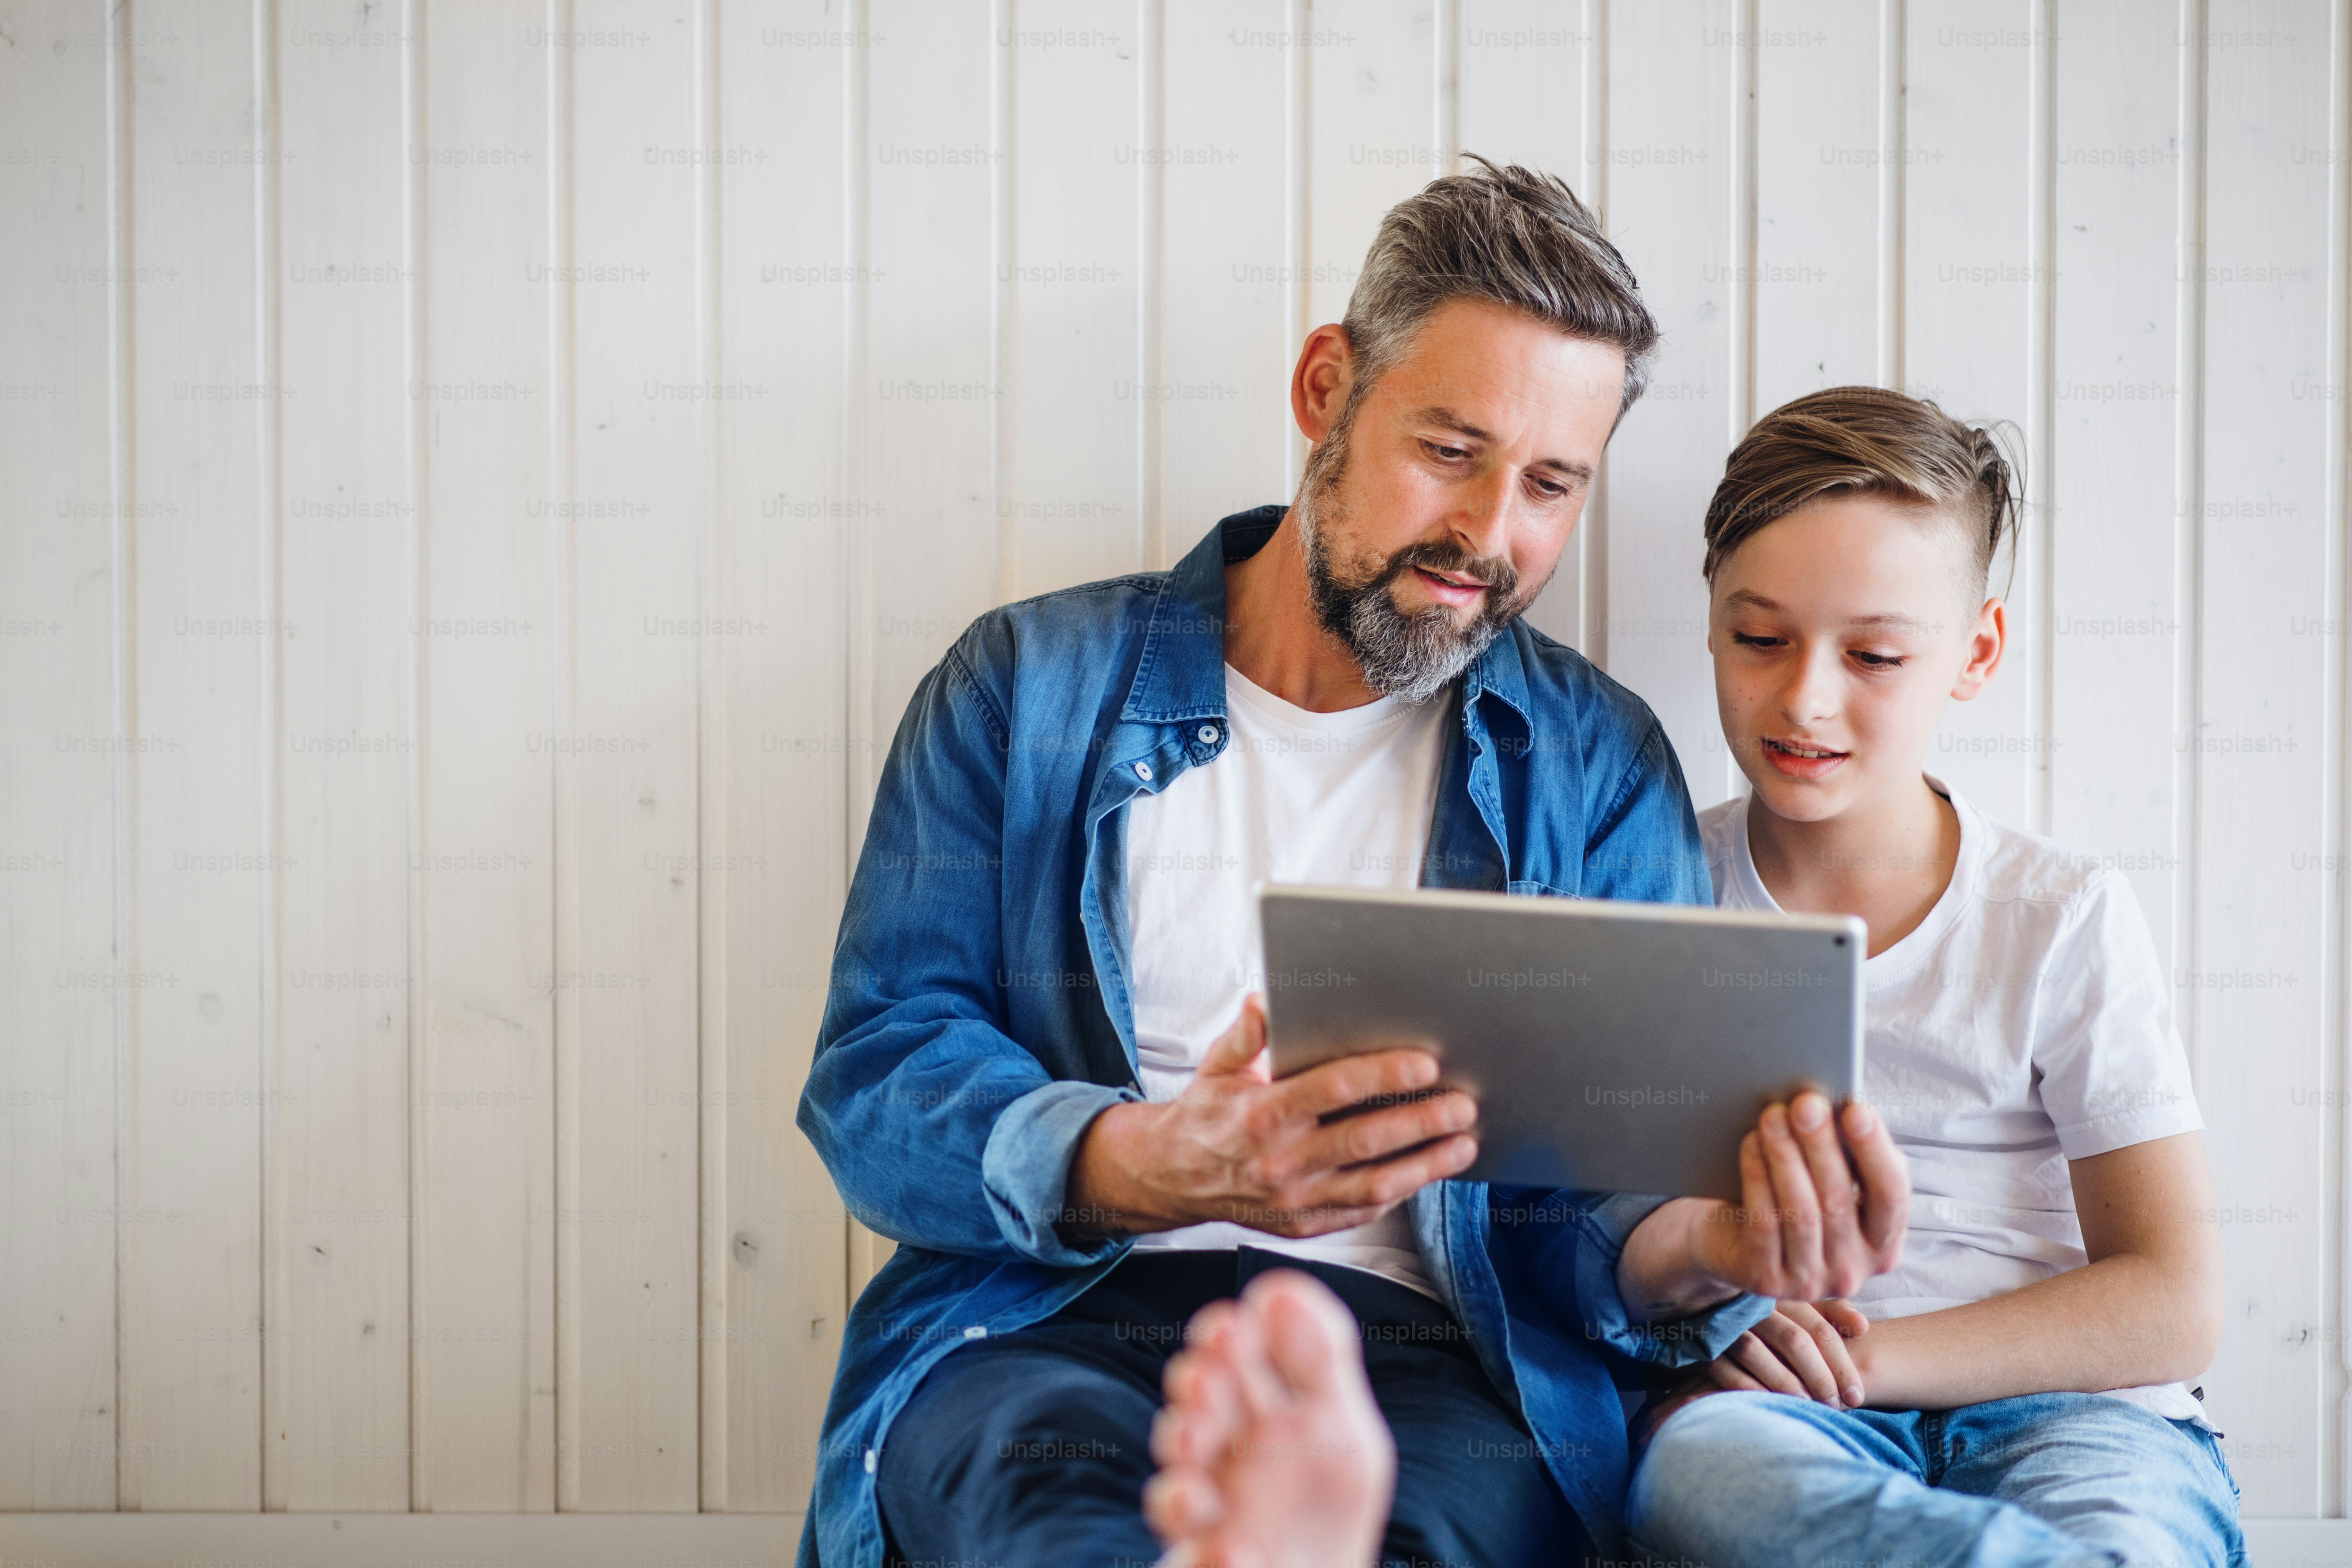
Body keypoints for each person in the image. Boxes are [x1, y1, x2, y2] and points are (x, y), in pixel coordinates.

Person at [795, 162, 1910, 1567]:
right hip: (1043, 1314)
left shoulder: (1591, 761)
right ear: (1327, 387)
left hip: (1432, 1354)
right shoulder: (1026, 686)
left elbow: (1592, 1212)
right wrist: (1160, 1157)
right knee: (1058, 1525)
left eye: (1549, 485)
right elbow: (879, 1072)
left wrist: (1721, 1246)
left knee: (1439, 1534)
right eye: (1450, 450)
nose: (1488, 540)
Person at [1618, 387, 2245, 1566]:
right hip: (1776, 1417)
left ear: (1974, 653)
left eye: (1873, 655)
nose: (1805, 695)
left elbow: (2172, 1297)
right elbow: (1601, 1233)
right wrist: (1709, 1324)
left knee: (2132, 1531)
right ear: (1709, 621)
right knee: (1693, 1475)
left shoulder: (2058, 916)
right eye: (1760, 638)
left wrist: (1865, 1359)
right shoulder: (1653, 890)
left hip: (2081, 1415)